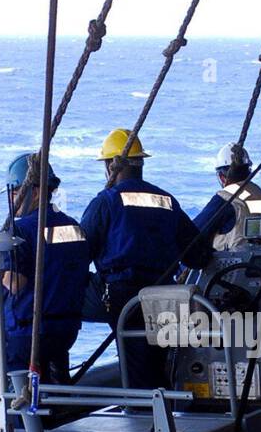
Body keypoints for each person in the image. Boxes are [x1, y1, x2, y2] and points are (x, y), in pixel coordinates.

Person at [80, 128, 210, 386]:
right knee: (155, 360)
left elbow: (78, 255)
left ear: (110, 166)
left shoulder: (106, 202)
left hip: (121, 297)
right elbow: (199, 255)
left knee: (62, 295)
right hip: (164, 295)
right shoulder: (167, 201)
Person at [0, 152, 90, 384]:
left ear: (34, 192)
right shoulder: (74, 227)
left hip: (27, 336)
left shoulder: (21, 230)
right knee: (56, 394)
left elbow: (14, 284)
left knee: (23, 401)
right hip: (64, 332)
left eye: (16, 192)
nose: (12, 199)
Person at [193, 143, 261, 250]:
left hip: (235, 264)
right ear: (249, 171)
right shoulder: (260, 194)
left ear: (222, 177)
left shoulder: (224, 199)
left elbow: (193, 233)